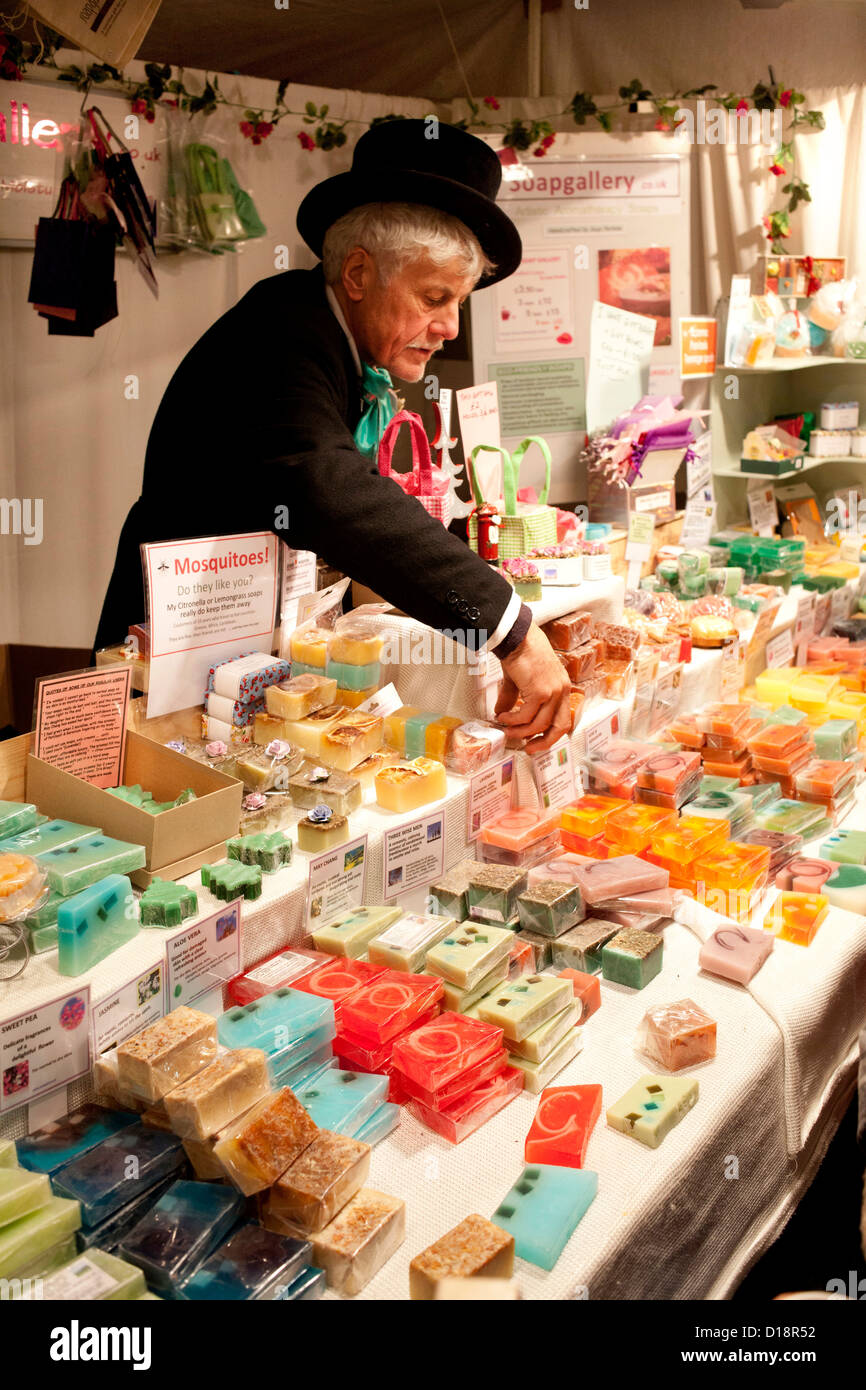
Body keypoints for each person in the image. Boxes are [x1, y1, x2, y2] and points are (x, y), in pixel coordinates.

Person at [94, 119, 571, 749]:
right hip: (171, 649)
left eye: (458, 302)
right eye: (433, 298)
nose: (451, 327)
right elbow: (327, 489)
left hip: (235, 645)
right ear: (357, 273)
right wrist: (511, 629)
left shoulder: (325, 330)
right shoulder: (285, 337)